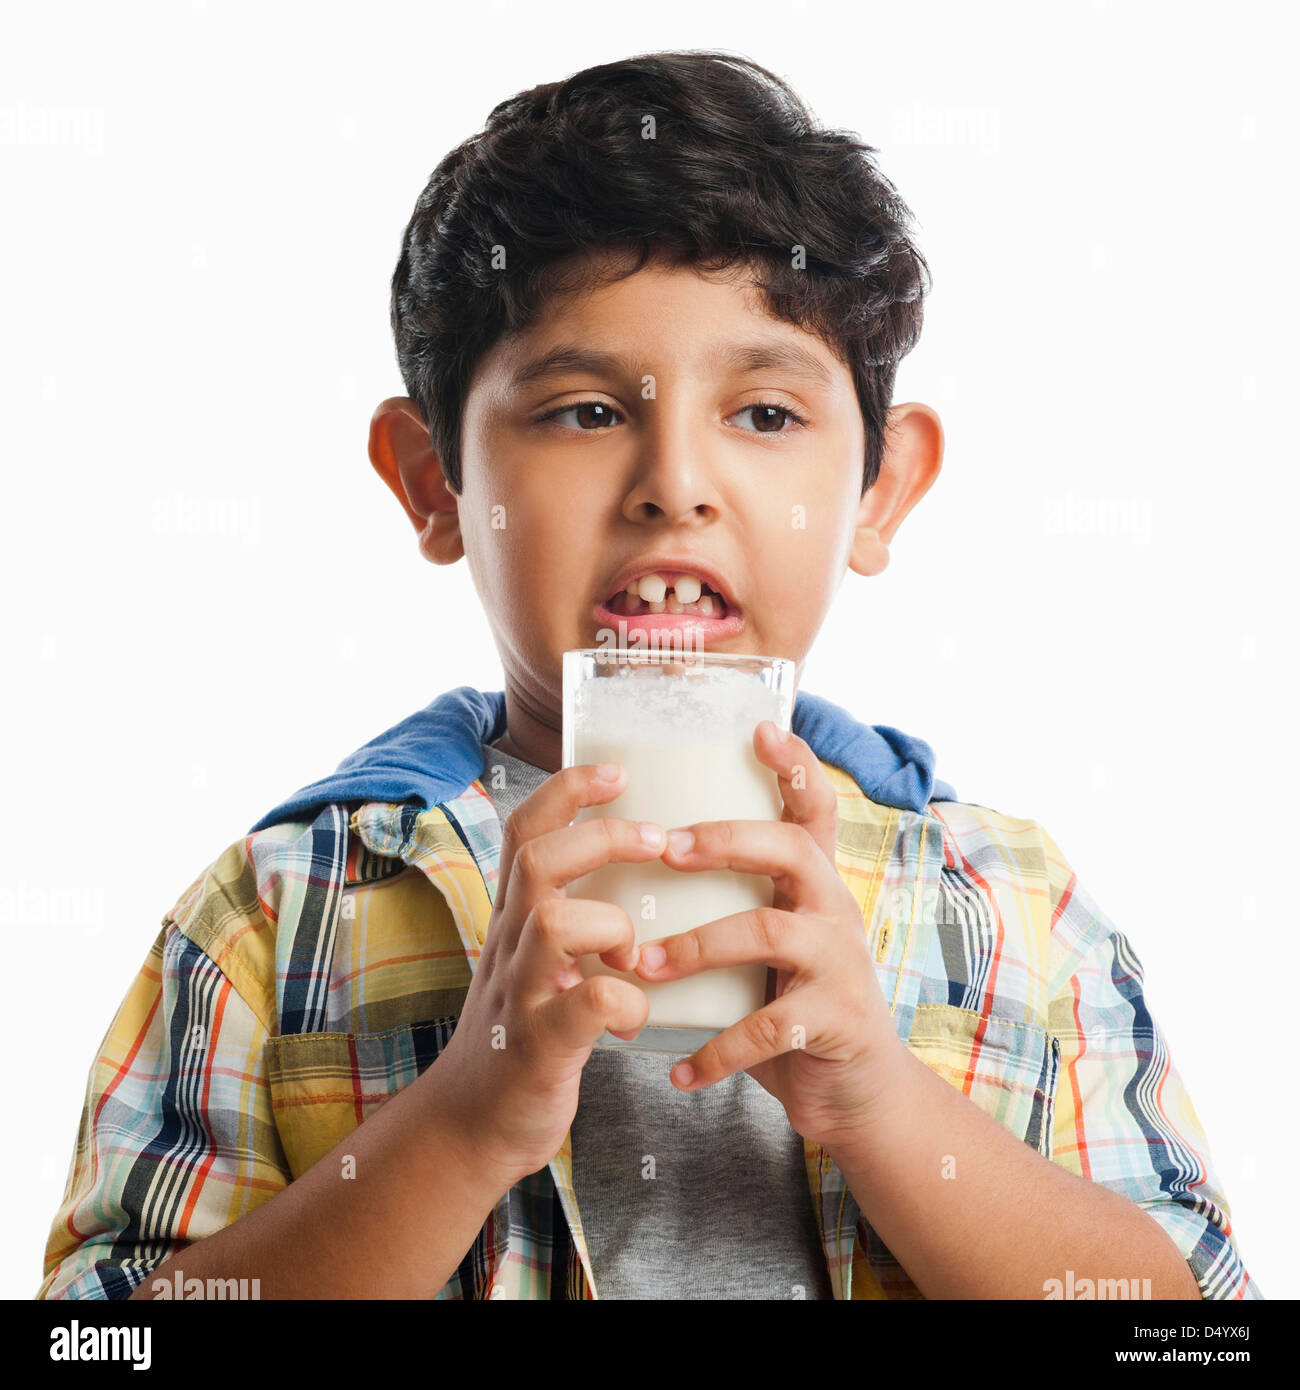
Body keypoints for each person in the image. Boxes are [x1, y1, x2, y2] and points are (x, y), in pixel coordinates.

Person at [38, 50, 1259, 1301]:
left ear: (879, 493)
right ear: (432, 481)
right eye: (581, 410)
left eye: (766, 416)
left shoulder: (1016, 910)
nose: (674, 482)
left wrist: (885, 1106)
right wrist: (459, 1127)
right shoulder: (276, 910)